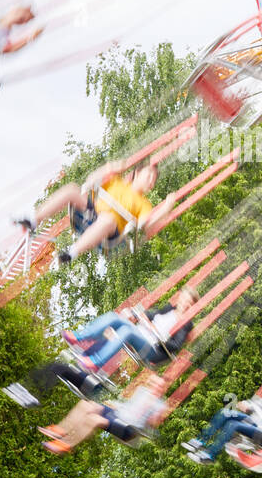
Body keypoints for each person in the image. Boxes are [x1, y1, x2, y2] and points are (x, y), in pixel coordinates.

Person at [12, 159, 176, 266]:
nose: (150, 181)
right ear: (137, 173)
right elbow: (91, 180)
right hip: (91, 213)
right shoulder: (116, 180)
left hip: (109, 231)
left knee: (108, 219)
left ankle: (71, 253)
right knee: (72, 189)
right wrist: (110, 168)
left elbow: (145, 226)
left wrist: (166, 209)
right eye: (148, 175)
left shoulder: (144, 204)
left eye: (152, 181)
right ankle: (33, 220)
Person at [63, 288, 197, 371]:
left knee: (126, 332)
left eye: (188, 302)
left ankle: (96, 361)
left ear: (191, 307)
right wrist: (138, 315)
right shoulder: (170, 309)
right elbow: (152, 315)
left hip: (153, 347)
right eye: (184, 298)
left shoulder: (185, 324)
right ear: (180, 297)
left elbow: (175, 346)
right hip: (140, 331)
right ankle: (80, 337)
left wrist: (154, 330)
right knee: (113, 316)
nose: (184, 303)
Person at [40, 374, 169, 454]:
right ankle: (60, 430)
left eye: (159, 388)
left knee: (94, 419)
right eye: (154, 385)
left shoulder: (160, 405)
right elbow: (128, 407)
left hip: (129, 429)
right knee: (87, 405)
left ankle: (65, 444)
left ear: (162, 390)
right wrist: (113, 404)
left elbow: (152, 426)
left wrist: (156, 417)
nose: (155, 389)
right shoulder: (142, 392)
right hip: (118, 414)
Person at [182, 390, 262, 465]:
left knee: (232, 424)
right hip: (255, 422)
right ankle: (200, 441)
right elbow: (261, 405)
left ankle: (210, 454)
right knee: (225, 412)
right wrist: (248, 406)